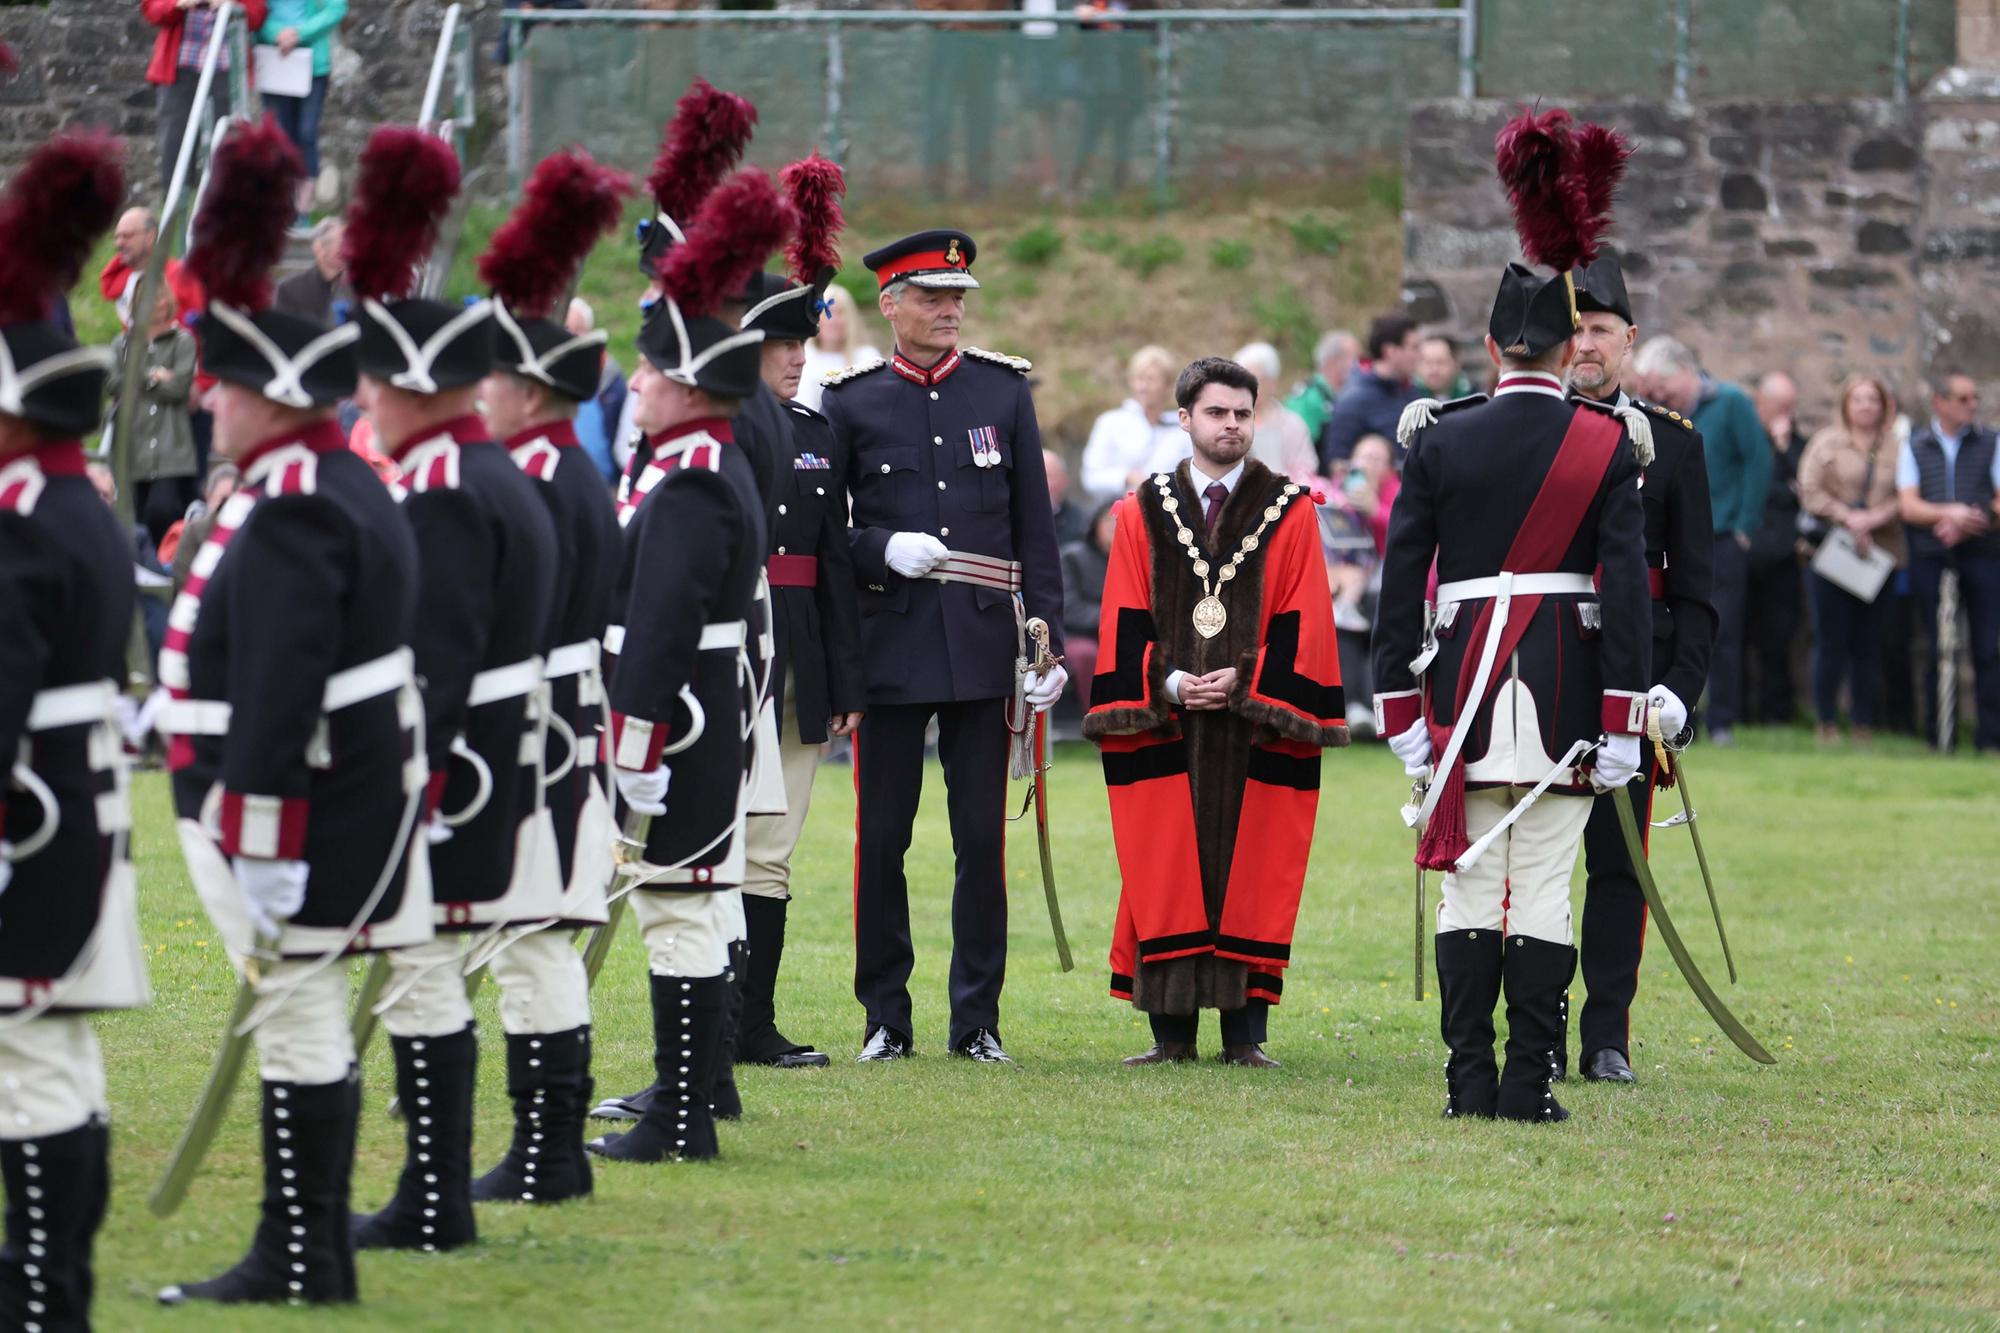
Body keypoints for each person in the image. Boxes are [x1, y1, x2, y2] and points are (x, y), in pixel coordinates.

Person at [154, 117, 431, 1306]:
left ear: (268, 400)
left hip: (308, 805)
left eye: (222, 392)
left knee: (301, 1015)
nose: (208, 411)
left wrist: (259, 837)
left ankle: (299, 1249)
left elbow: (279, 681)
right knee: (301, 1013)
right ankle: (304, 1242)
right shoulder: (324, 480)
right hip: (340, 793)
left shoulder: (302, 503)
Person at [1371, 108, 1648, 1123]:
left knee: (1461, 887)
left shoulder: (1438, 440)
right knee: (1540, 888)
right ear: (1565, 345)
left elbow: (1401, 588)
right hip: (1568, 692)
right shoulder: (1605, 443)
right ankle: (1527, 1086)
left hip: (1463, 695)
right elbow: (1623, 597)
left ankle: (1465, 1084)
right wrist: (1620, 720)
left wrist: (1399, 710)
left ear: (1488, 347)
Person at [343, 125, 559, 1254]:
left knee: (420, 974)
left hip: (455, 768)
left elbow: (434, 656)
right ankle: (435, 1189)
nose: (363, 403)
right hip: (499, 756)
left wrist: (391, 780)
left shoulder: (443, 488)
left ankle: (431, 1196)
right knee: (434, 970)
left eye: (373, 382)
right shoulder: (493, 472)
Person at [821, 229, 1067, 1065]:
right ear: (890, 304)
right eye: (932, 296)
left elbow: (1037, 530)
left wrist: (1049, 649)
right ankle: (885, 1016)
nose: (950, 309)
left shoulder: (1002, 393)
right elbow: (828, 536)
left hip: (981, 645)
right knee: (882, 838)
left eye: (958, 296)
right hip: (889, 643)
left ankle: (977, 1019)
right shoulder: (850, 401)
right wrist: (878, 548)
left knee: (980, 842)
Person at [584, 167, 788, 1163]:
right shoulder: (689, 466)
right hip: (701, 708)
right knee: (694, 907)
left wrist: (632, 741)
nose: (637, 382)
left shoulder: (694, 479)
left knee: (677, 911)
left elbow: (660, 626)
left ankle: (680, 1114)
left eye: (652, 371)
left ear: (694, 384)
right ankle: (689, 1104)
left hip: (684, 716)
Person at [1086, 356, 1348, 1067]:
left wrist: (1249, 678)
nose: (1230, 424)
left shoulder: (1290, 508)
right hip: (1170, 718)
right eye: (1216, 412)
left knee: (1249, 866)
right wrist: (1166, 682)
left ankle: (1244, 1039)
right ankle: (1170, 1038)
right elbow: (1125, 615)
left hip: (1252, 723)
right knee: (1165, 863)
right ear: (1185, 419)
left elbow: (1304, 617)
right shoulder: (1143, 510)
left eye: (1241, 413)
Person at [466, 146, 632, 1205]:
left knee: (532, 945)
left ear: (524, 387)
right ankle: (550, 1146)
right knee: (539, 943)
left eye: (484, 376)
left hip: (535, 730)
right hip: (563, 725)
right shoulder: (560, 467)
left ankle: (545, 1150)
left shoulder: (536, 475)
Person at [0, 132, 145, 1333]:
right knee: (60, 1060)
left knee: (29, 1061)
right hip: (76, 807)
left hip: (30, 819)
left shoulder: (24, 516)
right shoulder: (72, 502)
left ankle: (47, 1297)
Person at [1563, 256, 1716, 1085]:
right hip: (1545, 678)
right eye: (1573, 329)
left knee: (1620, 865)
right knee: (1540, 859)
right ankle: (1540, 1024)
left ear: (1628, 340)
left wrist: (1680, 694)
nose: (1585, 344)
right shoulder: (1522, 430)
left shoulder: (1675, 447)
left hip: (1634, 684)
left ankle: (1606, 1036)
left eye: (1599, 330)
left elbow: (1697, 591)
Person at [725, 188, 866, 1069]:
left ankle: (755, 1020)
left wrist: (844, 683)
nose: (792, 360)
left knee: (773, 854)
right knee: (715, 845)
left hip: (803, 662)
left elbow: (835, 568)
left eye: (800, 345)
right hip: (729, 658)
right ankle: (713, 1016)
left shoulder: (818, 433)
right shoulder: (716, 433)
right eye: (778, 345)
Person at [1632, 336, 1771, 745]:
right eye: (1648, 389)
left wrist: (1745, 525)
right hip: (1670, 543)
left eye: (1661, 388)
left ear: (1686, 373)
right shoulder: (1654, 420)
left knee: (1721, 629)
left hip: (1722, 535)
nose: (1654, 396)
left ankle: (1722, 718)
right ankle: (1677, 712)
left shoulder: (1732, 403)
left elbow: (1758, 462)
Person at [1795, 375, 1906, 744]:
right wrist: (1847, 517)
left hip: (1880, 556)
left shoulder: (1897, 447)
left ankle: (1863, 723)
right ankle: (1825, 722)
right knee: (1830, 640)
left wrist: (1873, 519)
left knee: (1868, 643)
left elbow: (1906, 494)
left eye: (1872, 399)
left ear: (1883, 405)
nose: (1865, 406)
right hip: (1831, 554)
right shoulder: (1826, 442)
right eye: (1858, 399)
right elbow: (1809, 491)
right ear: (1846, 404)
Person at [1899, 370, 2000, 752]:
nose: (1972, 404)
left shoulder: (1992, 442)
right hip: (1931, 554)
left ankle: (1990, 738)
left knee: (1987, 648)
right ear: (1940, 402)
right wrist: (1949, 514)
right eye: (1963, 398)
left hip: (1984, 553)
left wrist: (1969, 521)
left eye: (1974, 397)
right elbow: (1909, 504)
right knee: (1938, 646)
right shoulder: (1916, 444)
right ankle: (1939, 737)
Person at [107, 285, 200, 546]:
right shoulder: (122, 344)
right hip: (132, 446)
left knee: (160, 511)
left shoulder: (183, 341)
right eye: (149, 295)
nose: (156, 302)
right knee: (131, 517)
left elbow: (180, 388)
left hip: (171, 448)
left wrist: (135, 379)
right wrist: (154, 375)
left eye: (160, 295)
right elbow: (112, 383)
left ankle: (162, 568)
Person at [144, 0, 265, 186]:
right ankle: (175, 208)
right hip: (180, 69)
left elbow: (257, 16)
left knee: (228, 145)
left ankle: (223, 206)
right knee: (174, 143)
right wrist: (179, 4)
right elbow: (152, 10)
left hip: (226, 70)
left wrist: (230, 4)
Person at [1747, 371, 1807, 725]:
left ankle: (1777, 713)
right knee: (1736, 638)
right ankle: (1737, 712)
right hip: (1746, 551)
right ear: (1761, 403)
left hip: (1783, 556)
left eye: (1790, 406)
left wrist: (1785, 449)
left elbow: (1805, 490)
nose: (1785, 412)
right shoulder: (1747, 440)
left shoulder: (1797, 445)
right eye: (1779, 405)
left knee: (1779, 639)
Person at [256, 0, 345, 225]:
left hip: (313, 64)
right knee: (280, 138)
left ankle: (302, 212)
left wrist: (298, 34)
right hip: (274, 58)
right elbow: (253, 8)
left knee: (306, 134)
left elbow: (337, 8)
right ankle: (282, 208)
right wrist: (277, 34)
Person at [1080, 344, 1179, 502]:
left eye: (1151, 379)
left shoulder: (1181, 429)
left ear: (1167, 385)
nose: (1143, 387)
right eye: (1139, 379)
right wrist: (1127, 477)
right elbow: (1091, 477)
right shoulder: (1110, 422)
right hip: (1120, 513)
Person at [1321, 311, 1420, 467]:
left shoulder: (1412, 392)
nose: (1419, 354)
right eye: (1414, 348)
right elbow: (1337, 464)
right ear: (1390, 350)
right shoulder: (1353, 400)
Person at [100, 206, 204, 331]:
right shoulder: (123, 278)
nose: (119, 243)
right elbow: (107, 285)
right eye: (117, 237)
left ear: (150, 236)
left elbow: (202, 327)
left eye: (127, 236)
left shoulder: (181, 276)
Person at [564, 298, 626, 486]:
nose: (574, 336)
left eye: (579, 329)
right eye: (567, 329)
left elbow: (622, 434)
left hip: (606, 484)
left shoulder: (610, 376)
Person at [797, 283, 881, 413]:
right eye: (827, 312)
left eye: (840, 312)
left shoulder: (868, 358)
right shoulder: (803, 358)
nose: (833, 320)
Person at [1285, 329, 1357, 446]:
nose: (1359, 365)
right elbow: (1297, 445)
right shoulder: (1308, 399)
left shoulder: (1344, 394)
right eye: (1354, 359)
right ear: (1332, 362)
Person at [273, 217, 349, 326]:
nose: (344, 249)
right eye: (336, 242)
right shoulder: (290, 289)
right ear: (318, 247)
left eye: (347, 242)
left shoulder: (357, 288)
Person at [1047, 447, 1089, 547]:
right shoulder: (1011, 517)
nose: (1040, 483)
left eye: (1048, 476)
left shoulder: (1080, 522)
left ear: (1064, 481)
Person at [1416, 334, 1474, 401]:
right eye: (1428, 362)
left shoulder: (1472, 396)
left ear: (1456, 364)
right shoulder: (1409, 397)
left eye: (1441, 362)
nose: (1434, 370)